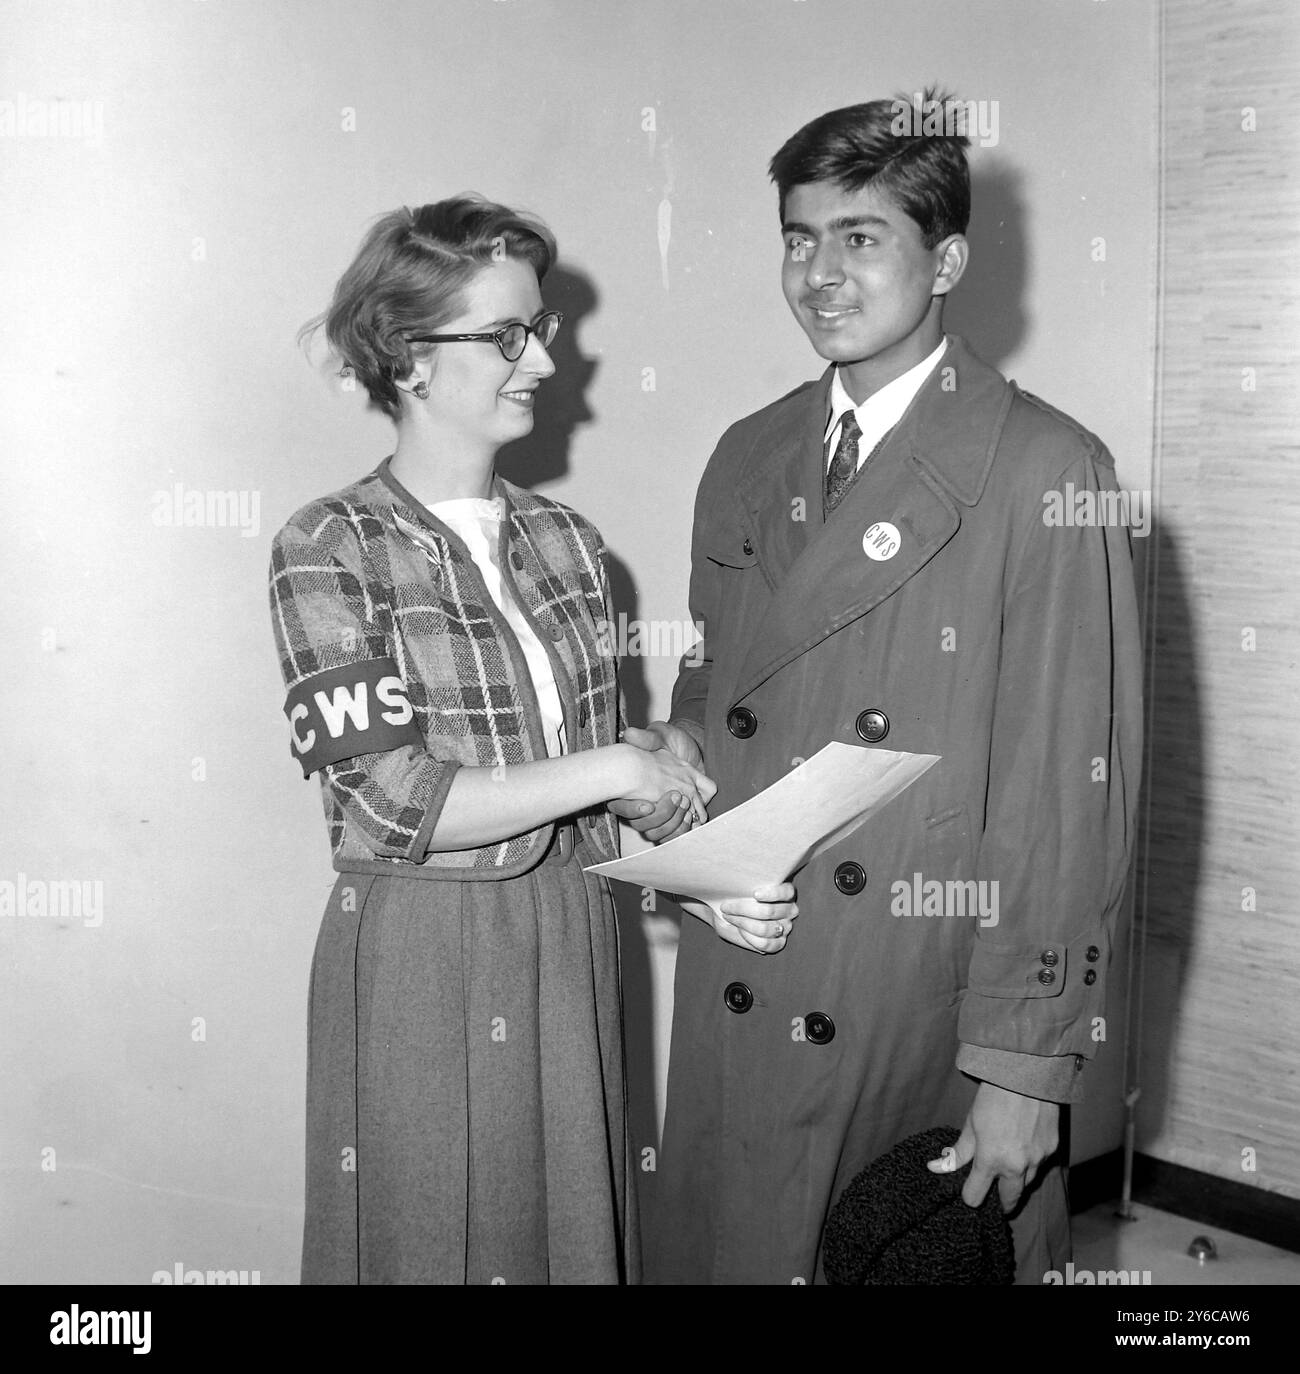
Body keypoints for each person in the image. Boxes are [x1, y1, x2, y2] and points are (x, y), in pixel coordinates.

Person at [616, 93, 1144, 1284]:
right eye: (799, 238)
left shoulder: (1050, 469)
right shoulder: (748, 451)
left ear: (945, 259)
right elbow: (715, 682)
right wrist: (676, 799)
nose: (818, 274)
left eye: (861, 238)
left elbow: (1070, 803)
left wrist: (1020, 1073)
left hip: (913, 990)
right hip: (744, 962)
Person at [268, 195, 794, 1284]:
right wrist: (613, 765)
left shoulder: (569, 545)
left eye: (540, 328)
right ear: (409, 358)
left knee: (566, 1243)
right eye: (509, 335)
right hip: (421, 950)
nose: (545, 360)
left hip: (568, 936)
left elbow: (596, 810)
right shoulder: (325, 546)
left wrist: (699, 883)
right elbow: (387, 802)